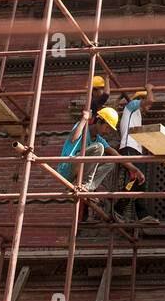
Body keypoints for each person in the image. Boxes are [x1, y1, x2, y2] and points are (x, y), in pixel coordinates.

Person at [57, 106, 143, 220]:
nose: (107, 132)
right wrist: (84, 119)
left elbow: (116, 155)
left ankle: (88, 188)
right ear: (99, 121)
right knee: (99, 148)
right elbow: (73, 139)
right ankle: (86, 185)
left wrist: (135, 170)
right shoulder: (83, 127)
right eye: (106, 127)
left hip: (78, 174)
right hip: (68, 168)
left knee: (110, 162)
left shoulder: (99, 139)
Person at [116, 88, 158, 224]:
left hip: (135, 150)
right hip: (129, 147)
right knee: (134, 179)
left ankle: (142, 215)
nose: (150, 105)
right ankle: (117, 209)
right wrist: (150, 89)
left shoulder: (137, 114)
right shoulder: (132, 106)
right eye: (148, 103)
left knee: (141, 181)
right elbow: (150, 99)